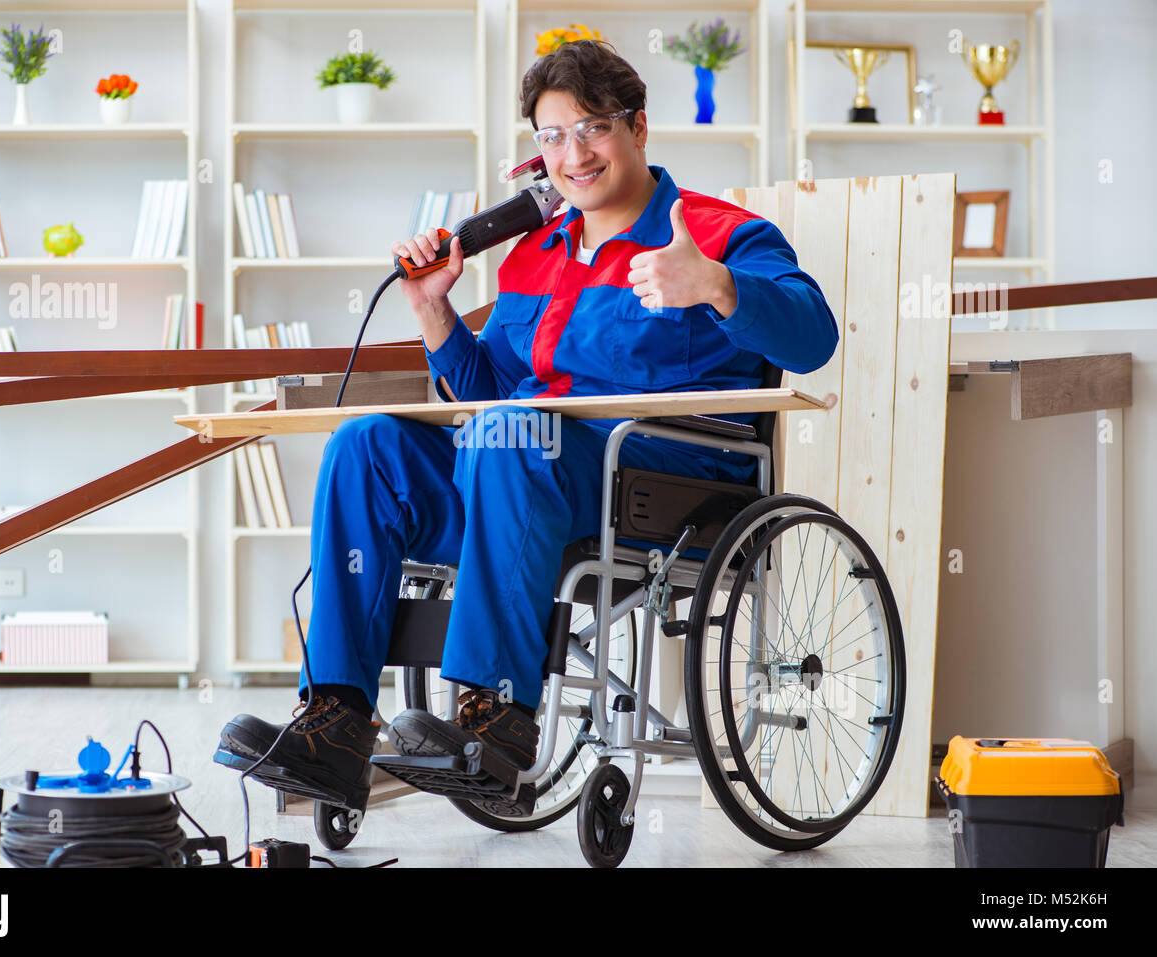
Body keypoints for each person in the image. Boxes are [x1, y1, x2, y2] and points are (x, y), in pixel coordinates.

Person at [217, 39, 839, 815]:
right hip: (525, 472)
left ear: (639, 128)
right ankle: (337, 721)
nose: (572, 154)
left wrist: (714, 285)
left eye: (592, 129)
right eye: (551, 136)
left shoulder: (716, 232)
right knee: (365, 444)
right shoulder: (534, 258)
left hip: (657, 481)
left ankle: (496, 717)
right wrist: (435, 312)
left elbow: (815, 337)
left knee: (509, 437)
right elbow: (495, 389)